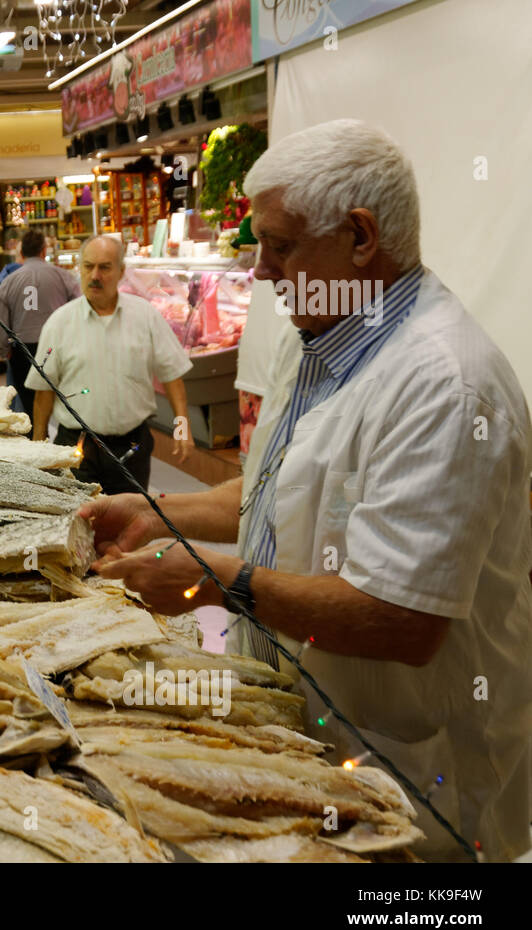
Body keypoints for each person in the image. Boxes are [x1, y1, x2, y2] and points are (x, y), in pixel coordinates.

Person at [85, 119, 532, 862]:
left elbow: (403, 620)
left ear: (360, 237)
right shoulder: (321, 338)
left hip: (418, 777)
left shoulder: (447, 386)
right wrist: (152, 510)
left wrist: (213, 581)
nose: (260, 271)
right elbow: (274, 489)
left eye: (281, 245)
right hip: (315, 734)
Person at [26, 234, 194, 491]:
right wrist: (39, 443)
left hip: (131, 447)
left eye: (104, 267)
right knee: (79, 525)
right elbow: (44, 390)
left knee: (130, 524)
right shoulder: (59, 323)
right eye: (88, 266)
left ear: (121, 271)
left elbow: (172, 374)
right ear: (79, 269)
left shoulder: (145, 317)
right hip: (75, 447)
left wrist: (182, 427)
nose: (95, 275)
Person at [0, 228, 80, 427]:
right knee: (60, 395)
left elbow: (1, 323)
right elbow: (79, 309)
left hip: (22, 349)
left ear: (22, 254)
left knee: (28, 398)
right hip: (57, 347)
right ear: (44, 251)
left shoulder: (8, 283)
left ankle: (37, 434)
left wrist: (4, 349)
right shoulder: (64, 277)